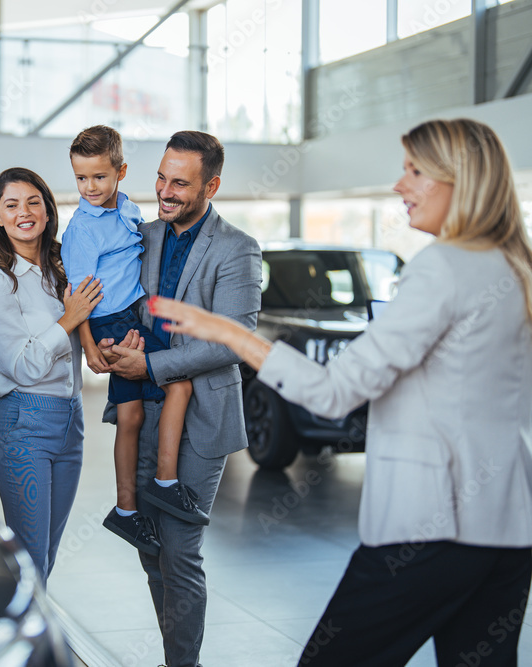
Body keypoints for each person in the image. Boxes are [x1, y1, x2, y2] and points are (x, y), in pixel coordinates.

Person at [149, 118, 532, 666]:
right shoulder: (514, 267)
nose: (400, 185)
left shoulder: (442, 269)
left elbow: (334, 392)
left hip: (430, 527)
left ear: (461, 180)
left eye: (415, 171)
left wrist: (229, 332)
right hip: (508, 526)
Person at [100, 131, 263, 667]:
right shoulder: (139, 235)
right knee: (151, 549)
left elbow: (232, 338)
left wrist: (151, 363)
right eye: (161, 179)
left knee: (180, 552)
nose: (166, 192)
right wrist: (111, 345)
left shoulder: (237, 248)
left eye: (181, 183)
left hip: (203, 417)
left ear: (211, 185)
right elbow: (120, 303)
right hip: (141, 410)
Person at [60, 125, 205, 559]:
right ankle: (160, 487)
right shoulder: (82, 230)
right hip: (108, 322)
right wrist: (89, 344)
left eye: (98, 177)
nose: (89, 187)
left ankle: (128, 508)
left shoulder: (126, 209)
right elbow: (75, 296)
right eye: (81, 178)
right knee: (171, 388)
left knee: (133, 416)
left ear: (120, 172)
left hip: (133, 316)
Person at [0, 167, 104, 582]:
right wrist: (68, 321)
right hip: (23, 424)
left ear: (48, 211)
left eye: (33, 202)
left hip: (71, 420)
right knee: (29, 560)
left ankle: (30, 639)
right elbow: (22, 365)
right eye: (11, 205)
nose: (23, 213)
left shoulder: (61, 270)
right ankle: (21, 642)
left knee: (45, 556)